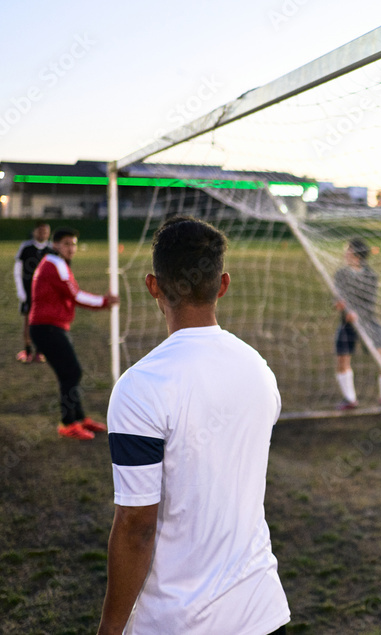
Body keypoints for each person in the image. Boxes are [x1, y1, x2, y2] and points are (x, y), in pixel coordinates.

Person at [98, 216, 290, 635]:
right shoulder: (259, 370)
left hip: (179, 622)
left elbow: (136, 526)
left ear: (153, 285)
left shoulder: (140, 387)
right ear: (222, 284)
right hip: (263, 613)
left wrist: (109, 629)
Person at [29, 228, 119, 440]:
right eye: (67, 244)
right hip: (46, 327)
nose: (72, 249)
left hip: (52, 326)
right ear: (56, 245)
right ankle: (68, 422)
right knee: (72, 372)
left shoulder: (56, 264)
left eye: (74, 244)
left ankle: (78, 418)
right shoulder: (54, 264)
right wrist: (105, 301)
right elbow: (75, 295)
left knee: (68, 373)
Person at [332, 237, 381, 409]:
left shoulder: (371, 275)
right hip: (347, 325)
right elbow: (337, 298)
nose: (345, 253)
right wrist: (340, 306)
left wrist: (356, 313)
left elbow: (368, 301)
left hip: (368, 322)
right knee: (342, 359)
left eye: (348, 250)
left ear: (357, 255)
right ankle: (350, 399)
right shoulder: (341, 274)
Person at [13, 221, 53, 363]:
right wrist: (20, 291)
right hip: (29, 293)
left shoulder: (51, 249)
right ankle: (28, 351)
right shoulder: (26, 247)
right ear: (35, 232)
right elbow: (17, 270)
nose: (43, 234)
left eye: (46, 231)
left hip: (46, 294)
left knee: (44, 323)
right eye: (40, 231)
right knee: (28, 322)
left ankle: (40, 352)